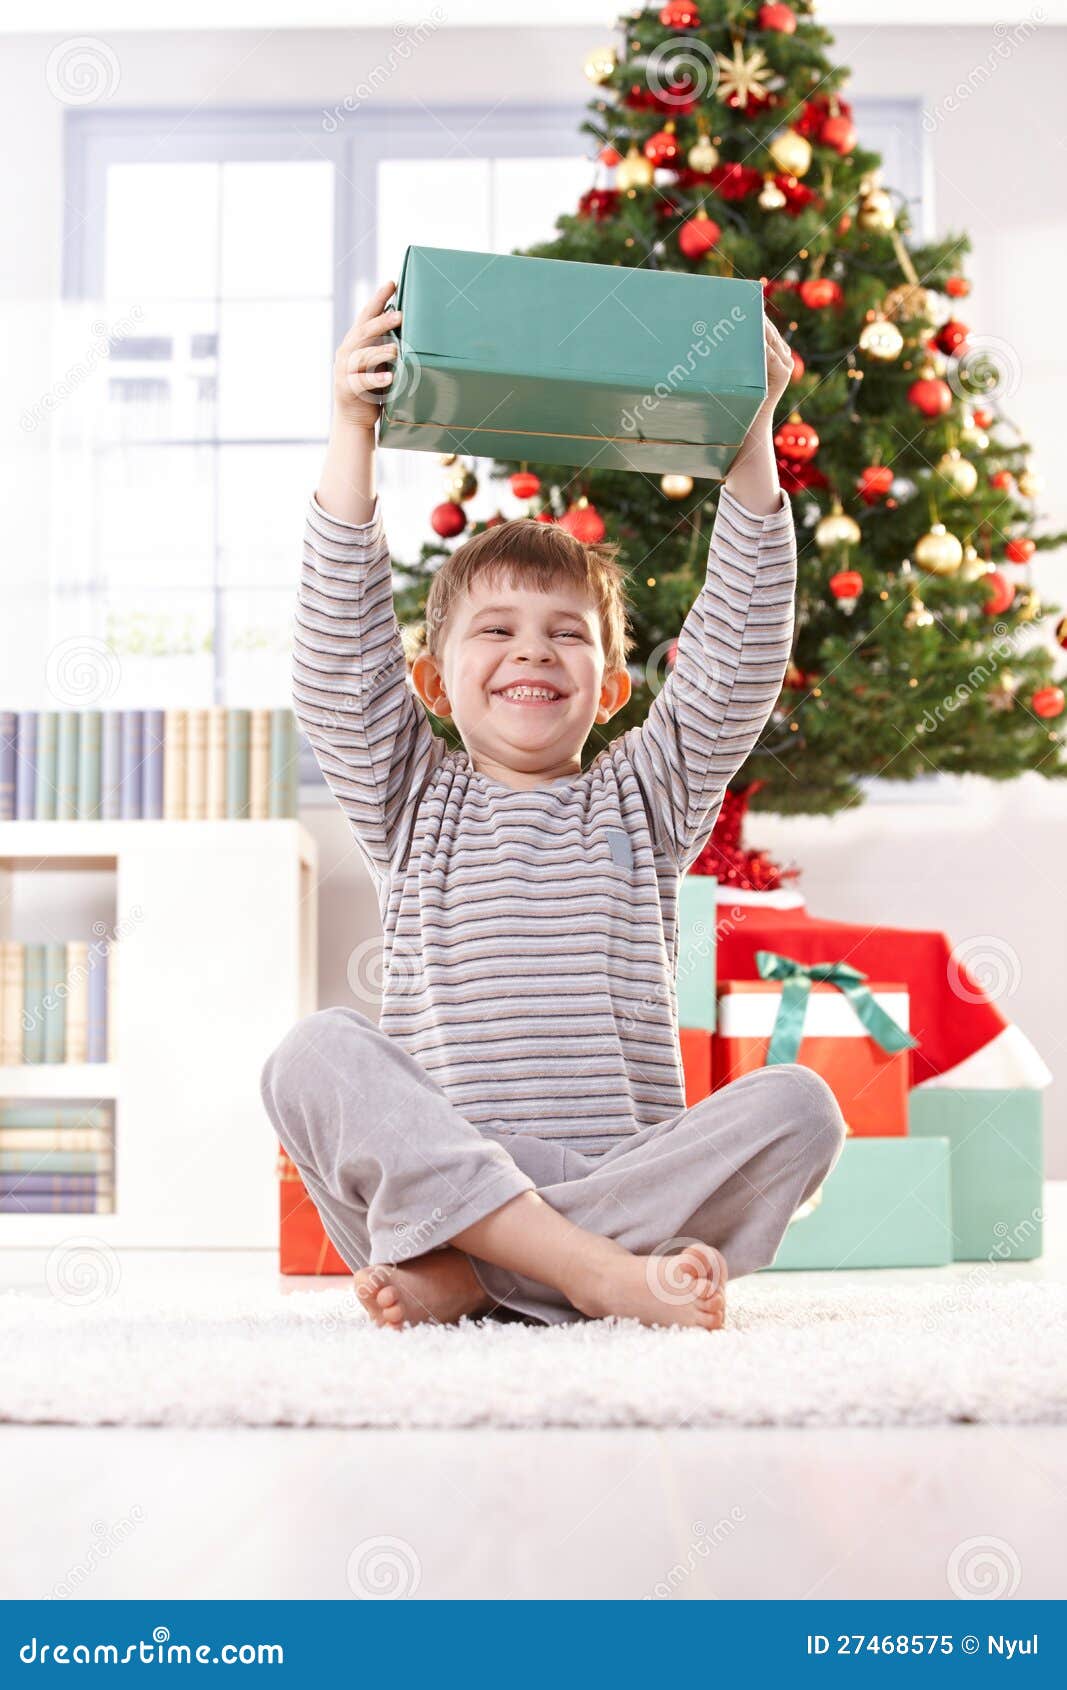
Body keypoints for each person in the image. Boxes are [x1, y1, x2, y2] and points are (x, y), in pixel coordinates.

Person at [260, 276, 846, 1333]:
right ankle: (589, 1270)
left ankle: (496, 1272)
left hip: (607, 1177)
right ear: (432, 684)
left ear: (611, 689)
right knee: (309, 1057)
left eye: (567, 633)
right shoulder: (410, 797)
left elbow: (736, 653)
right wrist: (350, 427)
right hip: (456, 1181)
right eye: (494, 631)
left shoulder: (644, 792)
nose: (532, 646)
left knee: (801, 1108)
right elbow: (339, 657)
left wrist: (750, 432)